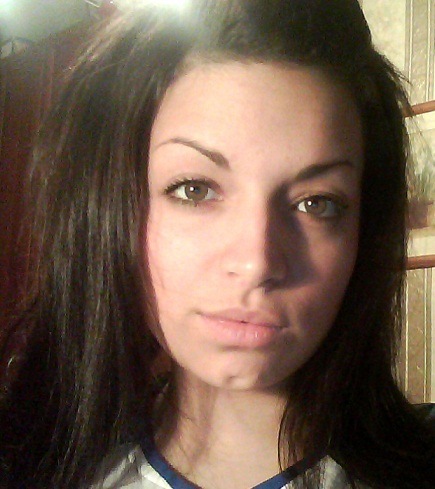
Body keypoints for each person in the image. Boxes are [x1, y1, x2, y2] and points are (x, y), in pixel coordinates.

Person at [0, 0, 434, 488]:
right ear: (109, 209)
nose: (257, 261)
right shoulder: (37, 467)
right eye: (195, 190)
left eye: (316, 203)